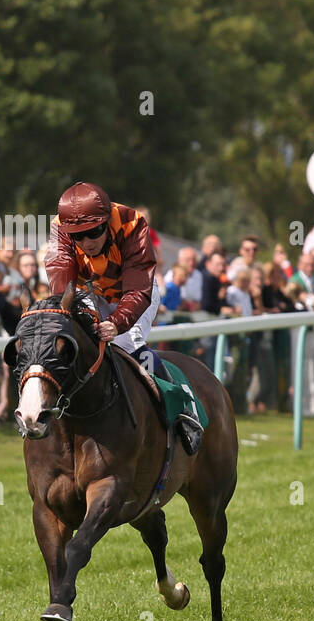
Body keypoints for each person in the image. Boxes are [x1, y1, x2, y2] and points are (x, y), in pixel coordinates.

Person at [45, 181, 202, 454]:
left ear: (106, 222)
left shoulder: (132, 223)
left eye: (93, 232)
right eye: (78, 237)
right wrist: (70, 315)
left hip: (133, 291)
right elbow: (62, 281)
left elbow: (138, 289)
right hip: (90, 290)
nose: (86, 242)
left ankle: (184, 413)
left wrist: (116, 323)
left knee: (127, 346)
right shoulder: (60, 226)